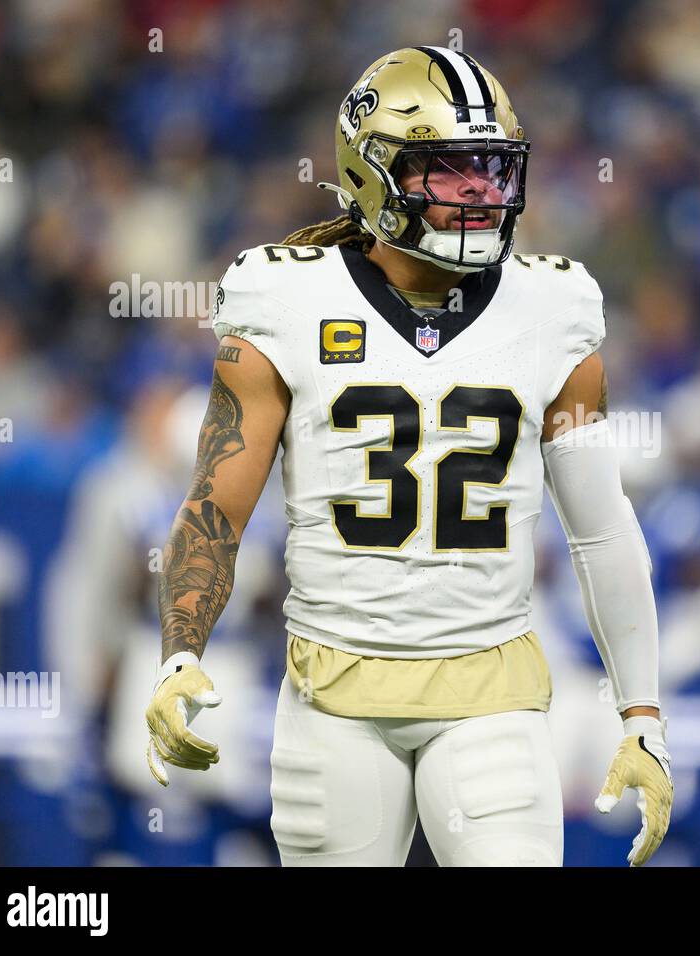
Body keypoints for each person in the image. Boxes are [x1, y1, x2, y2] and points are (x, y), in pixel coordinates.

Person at [143, 46, 672, 867]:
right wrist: (180, 653)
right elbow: (216, 507)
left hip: (493, 688)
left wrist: (643, 714)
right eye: (449, 169)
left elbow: (601, 530)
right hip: (333, 692)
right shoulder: (286, 297)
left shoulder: (554, 306)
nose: (480, 191)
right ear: (371, 174)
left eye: (492, 168)